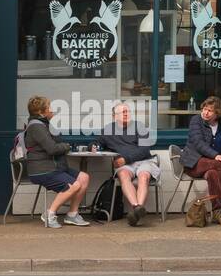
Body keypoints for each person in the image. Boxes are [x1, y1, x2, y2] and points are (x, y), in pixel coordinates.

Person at [22, 95, 90, 228]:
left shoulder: (43, 124)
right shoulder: (37, 127)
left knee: (84, 178)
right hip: (42, 170)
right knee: (73, 186)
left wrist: (63, 145)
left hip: (54, 166)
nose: (52, 110)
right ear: (42, 112)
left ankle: (72, 215)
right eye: (49, 107)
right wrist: (67, 146)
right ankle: (49, 214)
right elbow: (52, 149)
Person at [181, 96, 221, 225]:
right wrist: (216, 155)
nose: (205, 113)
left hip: (209, 165)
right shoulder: (196, 121)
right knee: (219, 163)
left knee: (213, 174)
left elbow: (220, 145)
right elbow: (199, 143)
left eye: (210, 111)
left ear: (217, 113)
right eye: (204, 109)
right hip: (193, 163)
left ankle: (217, 212)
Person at [98, 102, 159, 226]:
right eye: (123, 112)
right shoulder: (108, 130)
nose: (126, 114)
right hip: (125, 166)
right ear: (114, 116)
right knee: (124, 176)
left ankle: (136, 210)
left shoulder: (139, 126)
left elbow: (144, 150)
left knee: (143, 176)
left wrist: (126, 159)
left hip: (144, 161)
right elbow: (97, 142)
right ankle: (137, 208)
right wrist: (93, 146)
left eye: (128, 111)